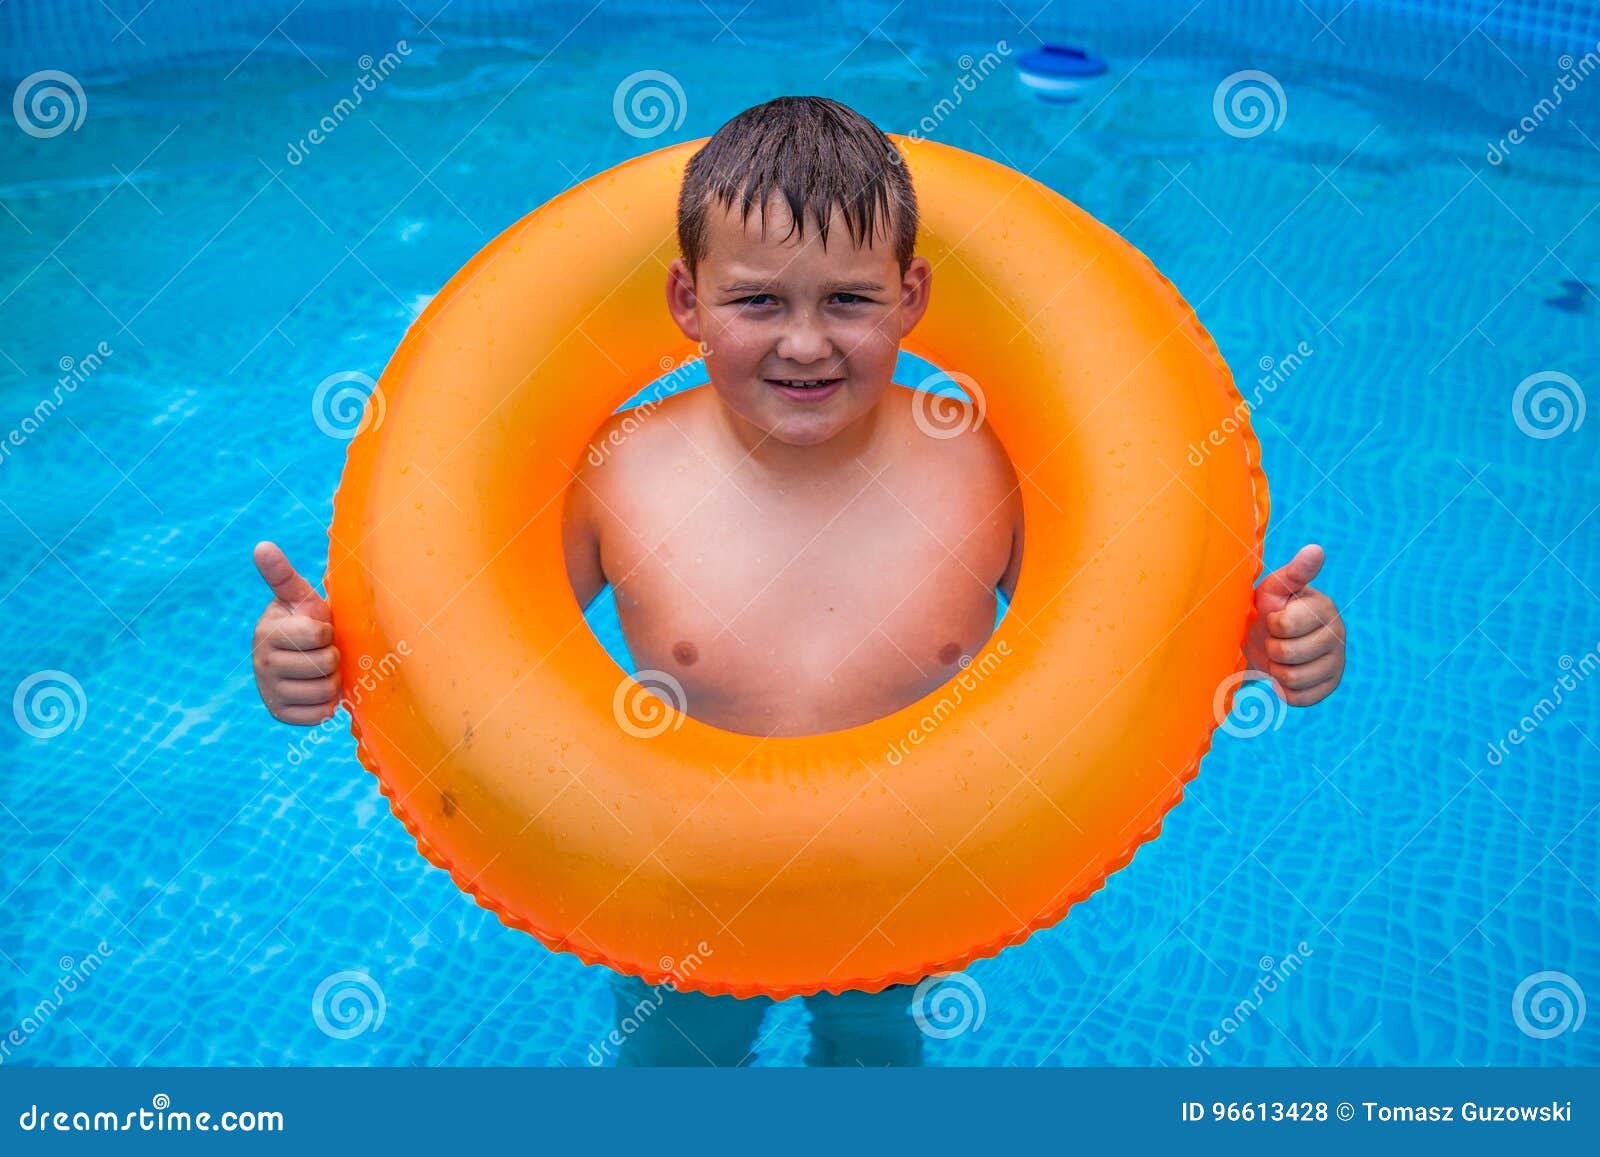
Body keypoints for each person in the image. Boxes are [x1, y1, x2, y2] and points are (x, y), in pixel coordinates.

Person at [250, 96, 1347, 1065]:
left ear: (912, 297)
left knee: (874, 1044)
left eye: (850, 302)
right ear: (684, 302)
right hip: (672, 881)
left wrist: (1259, 646)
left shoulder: (985, 470)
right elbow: (452, 658)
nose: (807, 343)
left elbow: (1131, 637)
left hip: (912, 872)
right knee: (677, 1061)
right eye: (759, 303)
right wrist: (315, 666)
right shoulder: (615, 474)